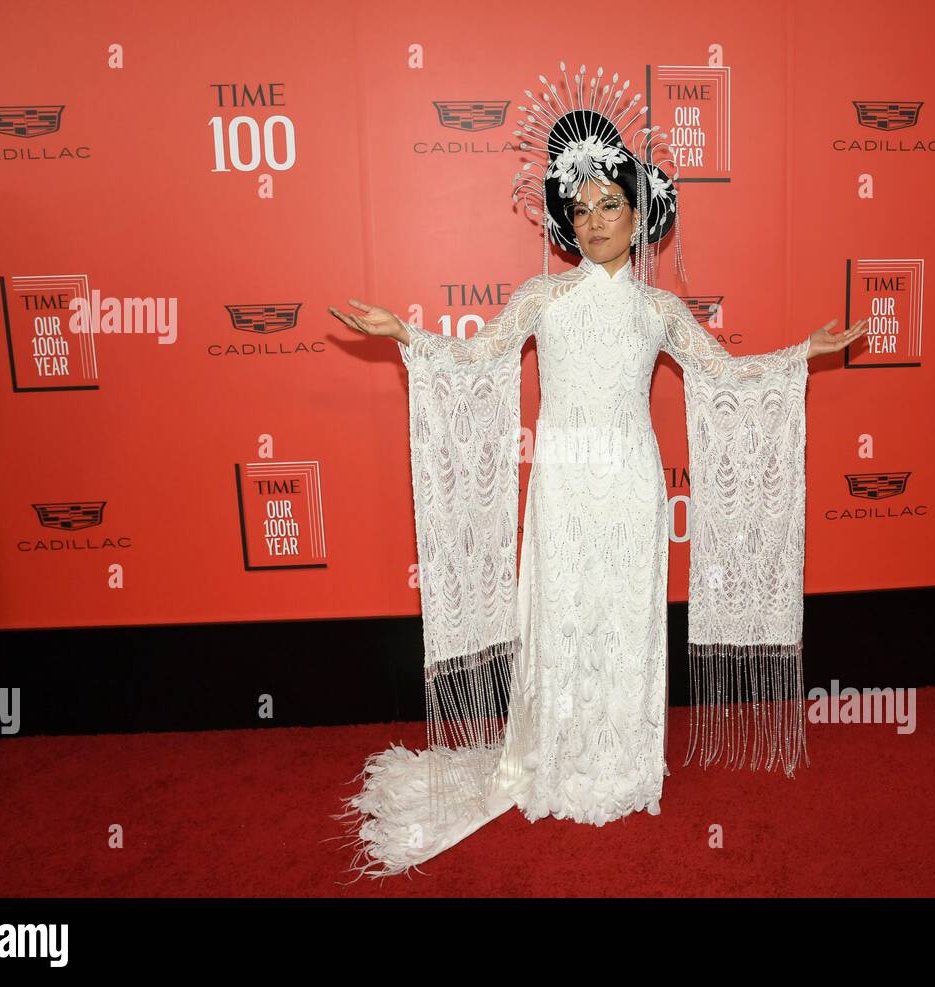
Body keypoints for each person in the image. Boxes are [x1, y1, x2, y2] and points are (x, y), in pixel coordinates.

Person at [327, 61, 868, 881]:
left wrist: (801, 355)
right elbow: (475, 360)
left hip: (630, 485)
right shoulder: (541, 299)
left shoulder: (661, 310)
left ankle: (621, 763)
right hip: (563, 487)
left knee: (625, 617)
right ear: (564, 219)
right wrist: (405, 332)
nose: (593, 221)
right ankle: (553, 755)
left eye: (608, 204)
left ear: (638, 208)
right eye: (579, 210)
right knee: (562, 612)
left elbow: (723, 378)